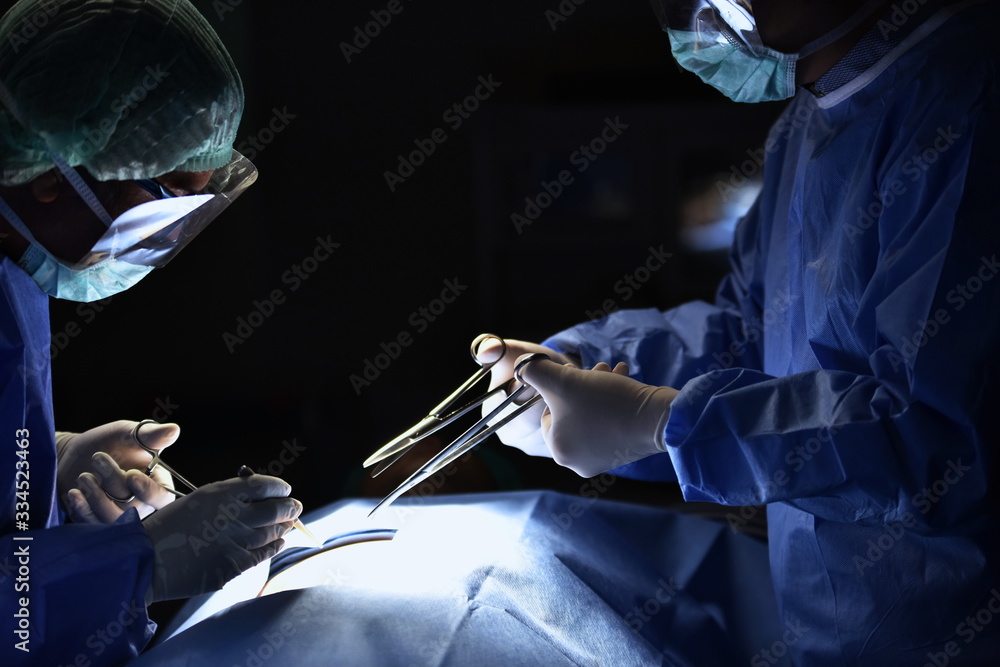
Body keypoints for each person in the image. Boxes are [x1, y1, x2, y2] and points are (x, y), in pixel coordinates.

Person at [482, 0, 1000, 663]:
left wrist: (660, 421)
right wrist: (585, 361)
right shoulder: (804, 128)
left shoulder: (965, 102)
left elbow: (930, 437)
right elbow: (754, 334)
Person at [0, 1, 302, 664]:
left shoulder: (16, 275)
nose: (168, 235)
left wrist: (54, 463)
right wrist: (140, 561)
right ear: (54, 174)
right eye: (167, 199)